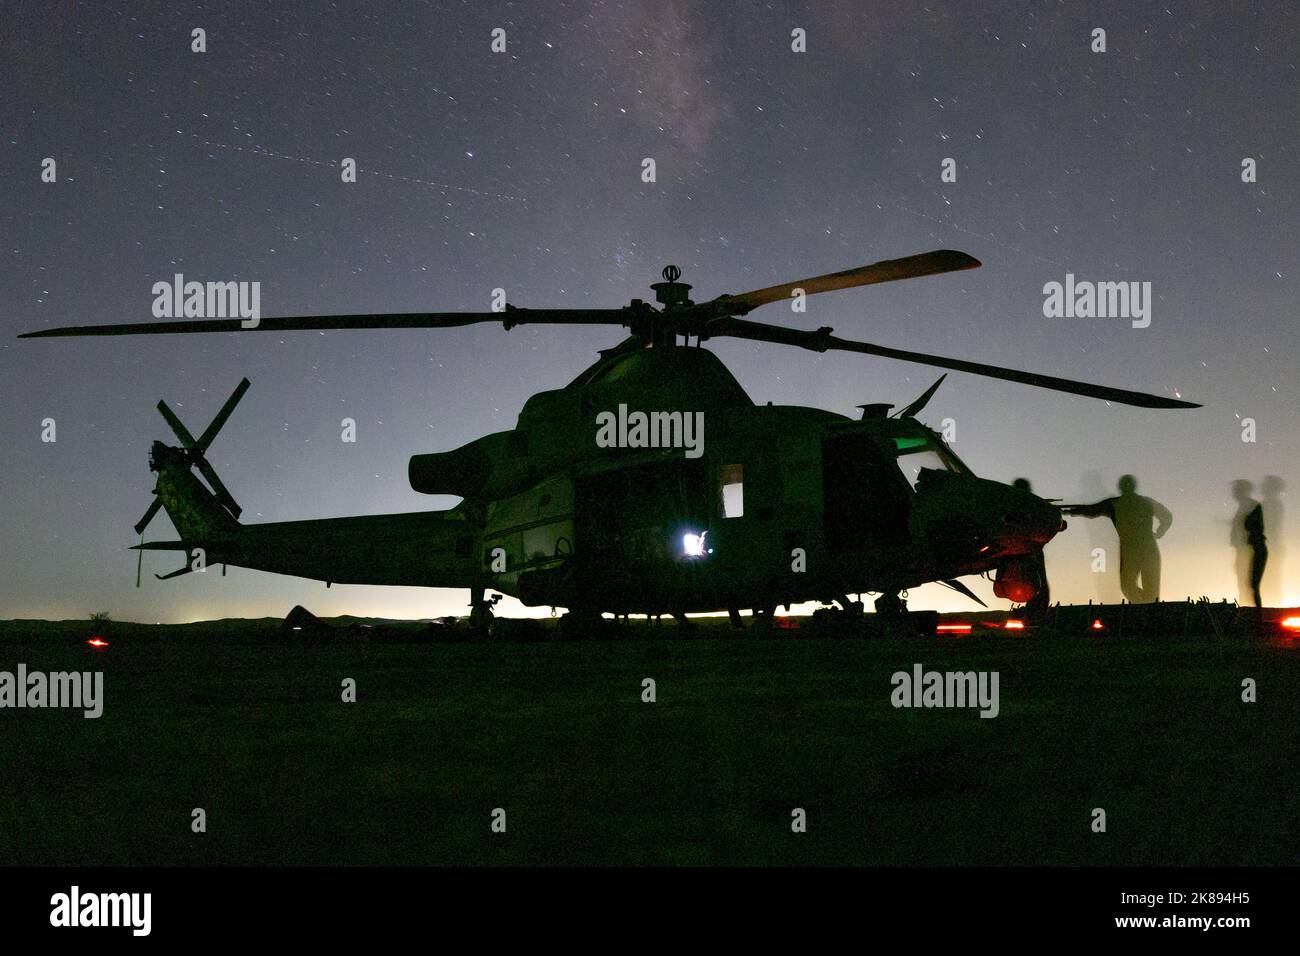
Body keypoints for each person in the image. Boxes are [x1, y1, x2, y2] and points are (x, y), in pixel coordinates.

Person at [1065, 475, 1172, 604]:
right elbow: (1166, 516)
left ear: (1121, 487)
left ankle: (1144, 607)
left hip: (1131, 551)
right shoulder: (1146, 502)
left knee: (1129, 586)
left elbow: (1091, 510)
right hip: (1147, 549)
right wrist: (1160, 531)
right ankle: (1146, 608)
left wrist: (1071, 511)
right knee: (1147, 588)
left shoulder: (1114, 504)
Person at [1012, 478, 1050, 623]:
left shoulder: (1016, 504)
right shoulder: (1031, 506)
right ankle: (1034, 619)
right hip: (1029, 549)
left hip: (1022, 549)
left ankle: (1032, 618)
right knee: (1039, 585)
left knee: (1036, 584)